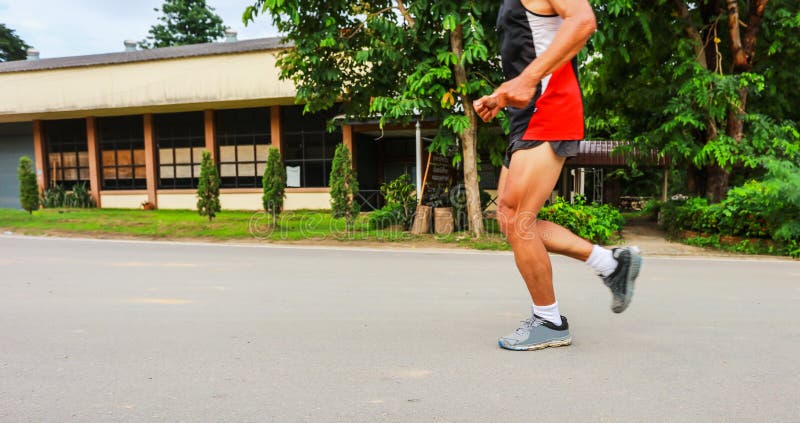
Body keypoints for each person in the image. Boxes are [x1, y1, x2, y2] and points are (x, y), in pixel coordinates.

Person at [474, 0, 642, 351]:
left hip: (550, 107)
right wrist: (503, 96)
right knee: (510, 220)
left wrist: (528, 80)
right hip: (526, 116)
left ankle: (549, 321)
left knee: (519, 218)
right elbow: (531, 52)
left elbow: (582, 21)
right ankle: (611, 264)